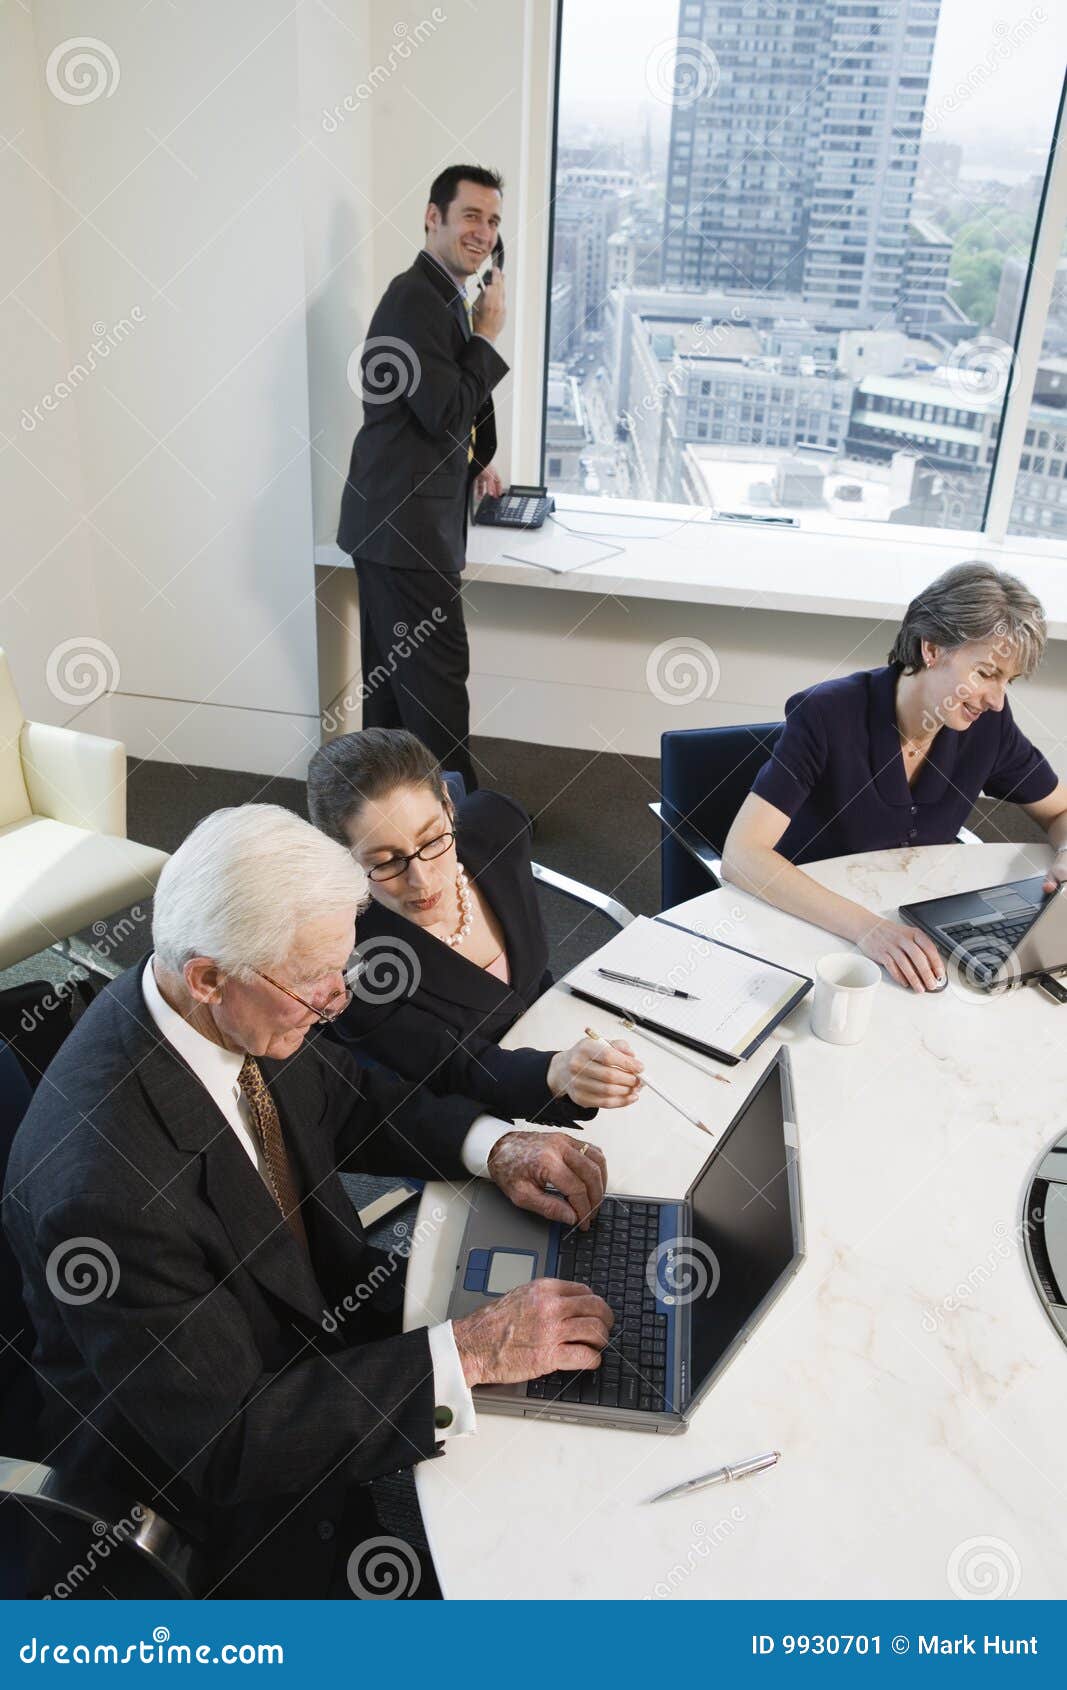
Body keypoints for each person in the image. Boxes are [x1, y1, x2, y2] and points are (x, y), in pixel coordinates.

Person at [2, 805, 614, 1600]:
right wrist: (469, 1352)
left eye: (343, 968)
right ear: (210, 977)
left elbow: (348, 1098)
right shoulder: (106, 1195)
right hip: (210, 1471)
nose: (339, 1001)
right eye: (316, 982)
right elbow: (229, 1439)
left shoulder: (224, 1007)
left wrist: (494, 1146)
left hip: (307, 1317)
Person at [722, 563, 1067, 993]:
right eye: (986, 673)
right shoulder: (828, 715)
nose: (997, 700)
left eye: (1008, 682)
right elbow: (742, 855)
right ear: (932, 648)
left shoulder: (986, 727)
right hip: (805, 931)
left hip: (908, 935)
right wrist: (869, 929)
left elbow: (1061, 810)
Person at [306, 729, 643, 1120]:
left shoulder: (499, 827)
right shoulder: (349, 962)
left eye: (432, 840)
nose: (422, 879)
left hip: (558, 1037)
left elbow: (530, 983)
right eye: (385, 862)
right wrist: (554, 1073)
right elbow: (455, 1068)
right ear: (339, 858)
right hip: (456, 1115)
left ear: (449, 805)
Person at [336, 164, 510, 792]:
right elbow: (445, 409)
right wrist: (489, 333)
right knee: (435, 679)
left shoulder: (438, 298)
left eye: (493, 221)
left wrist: (473, 458)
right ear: (432, 217)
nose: (484, 232)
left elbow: (432, 410)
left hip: (392, 521)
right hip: (405, 529)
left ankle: (385, 818)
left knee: (392, 688)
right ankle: (457, 827)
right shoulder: (417, 298)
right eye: (471, 216)